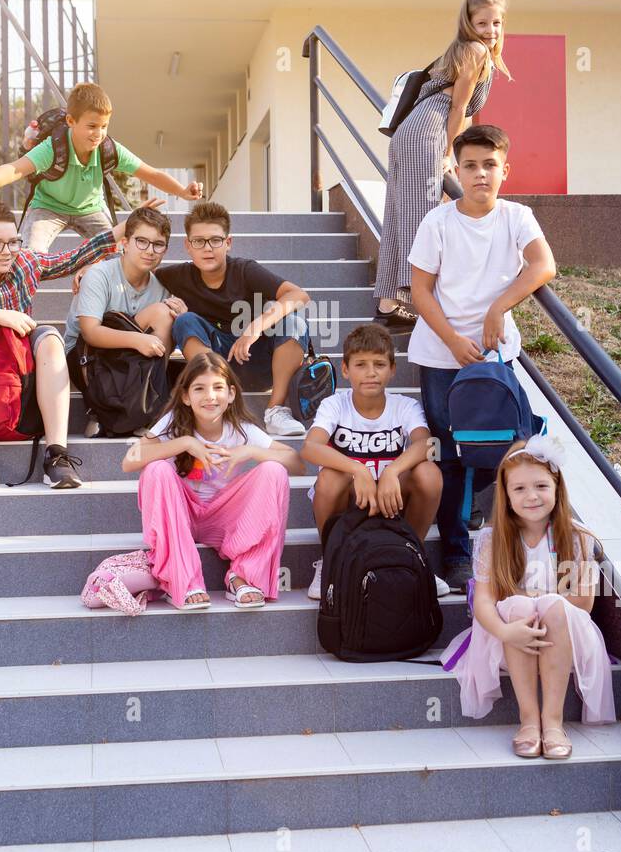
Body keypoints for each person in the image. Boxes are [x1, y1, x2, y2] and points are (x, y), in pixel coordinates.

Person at [408, 123, 556, 593]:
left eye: (489, 165)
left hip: (495, 356)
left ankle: (502, 542)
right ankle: (454, 552)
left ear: (504, 170)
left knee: (509, 446)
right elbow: (419, 291)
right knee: (449, 456)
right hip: (440, 355)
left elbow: (543, 265)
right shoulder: (437, 222)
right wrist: (452, 341)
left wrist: (498, 307)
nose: (480, 174)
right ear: (456, 169)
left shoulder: (517, 216)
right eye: (470, 166)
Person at [0, 199, 131, 489]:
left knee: (51, 338)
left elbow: (73, 257)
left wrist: (120, 231)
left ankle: (56, 455)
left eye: (13, 242)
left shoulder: (26, 263)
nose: (6, 252)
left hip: (19, 366)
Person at [440, 436, 615, 757]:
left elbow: (584, 604)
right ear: (505, 495)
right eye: (519, 489)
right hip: (508, 636)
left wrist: (543, 603)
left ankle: (553, 721)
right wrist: (508, 629)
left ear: (557, 488)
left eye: (540, 486)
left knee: (552, 605)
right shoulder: (493, 540)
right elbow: (483, 603)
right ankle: (529, 720)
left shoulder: (577, 537)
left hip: (565, 634)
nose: (531, 496)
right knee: (517, 605)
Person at [374, 0, 511, 334]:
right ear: (469, 22)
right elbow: (458, 107)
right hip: (428, 128)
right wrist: (450, 153)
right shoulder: (476, 51)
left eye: (496, 22)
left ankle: (388, 304)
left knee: (401, 212)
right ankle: (417, 298)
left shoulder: (464, 50)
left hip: (410, 128)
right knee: (421, 215)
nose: (490, 30)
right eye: (482, 23)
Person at [122, 351, 303, 609]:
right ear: (185, 396)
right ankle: (182, 581)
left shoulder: (240, 429)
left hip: (222, 518)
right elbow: (130, 460)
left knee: (274, 470)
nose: (210, 396)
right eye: (199, 388)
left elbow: (296, 463)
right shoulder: (172, 423)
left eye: (218, 388)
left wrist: (251, 451)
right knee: (157, 470)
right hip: (180, 514)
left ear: (230, 394)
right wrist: (184, 443)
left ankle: (243, 576)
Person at [300, 323, 448, 601]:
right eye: (361, 364)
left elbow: (426, 443)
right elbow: (310, 448)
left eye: (379, 364)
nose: (370, 373)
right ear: (345, 370)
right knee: (330, 477)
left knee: (428, 473)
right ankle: (330, 561)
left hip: (391, 498)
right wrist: (358, 469)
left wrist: (393, 471)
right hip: (353, 498)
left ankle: (413, 554)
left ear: (392, 369)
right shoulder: (334, 404)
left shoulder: (404, 405)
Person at [0, 81, 203, 253]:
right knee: (31, 256)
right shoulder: (53, 147)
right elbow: (16, 169)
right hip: (48, 207)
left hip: (90, 209)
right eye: (92, 126)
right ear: (71, 121)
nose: (98, 134)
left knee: (118, 256)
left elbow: (150, 173)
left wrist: (181, 191)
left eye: (104, 126)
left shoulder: (108, 149)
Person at [155, 200, 311, 438]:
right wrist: (90, 272)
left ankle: (276, 410)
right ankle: (217, 403)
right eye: (199, 241)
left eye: (215, 240)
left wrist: (256, 326)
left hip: (256, 361)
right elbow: (133, 275)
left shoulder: (244, 270)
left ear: (228, 243)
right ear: (188, 246)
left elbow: (299, 294)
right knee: (184, 321)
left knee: (295, 321)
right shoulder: (177, 276)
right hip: (215, 361)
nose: (208, 248)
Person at [63, 206, 187, 437]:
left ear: (165, 250)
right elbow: (90, 332)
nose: (150, 250)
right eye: (141, 241)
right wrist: (138, 340)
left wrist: (183, 317)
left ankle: (144, 407)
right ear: (125, 243)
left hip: (130, 361)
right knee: (159, 315)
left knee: (165, 313)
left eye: (157, 244)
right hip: (86, 355)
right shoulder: (99, 275)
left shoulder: (162, 287)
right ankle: (110, 412)